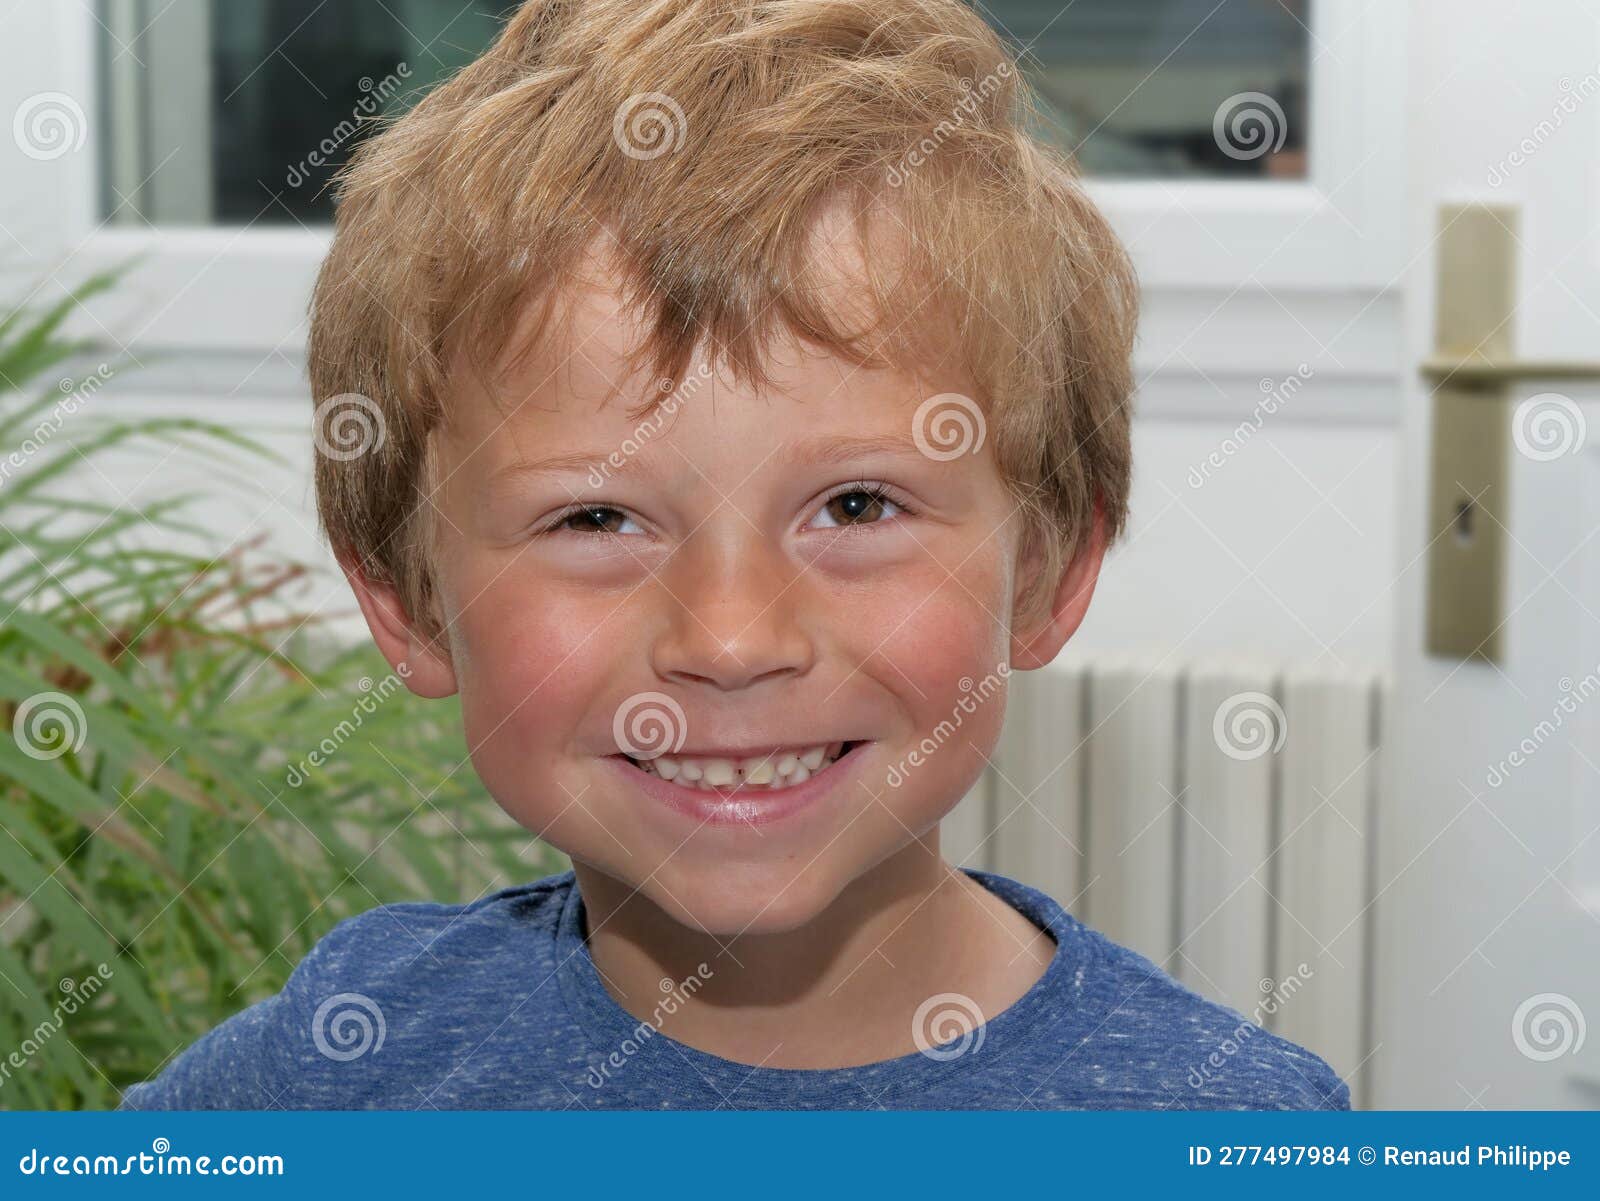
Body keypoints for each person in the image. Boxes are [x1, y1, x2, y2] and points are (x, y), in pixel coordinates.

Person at [122, 0, 1348, 1111]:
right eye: (596, 520)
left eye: (858, 506)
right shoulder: (340, 1069)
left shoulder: (1222, 1124)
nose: (730, 637)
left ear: (1046, 573)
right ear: (405, 602)